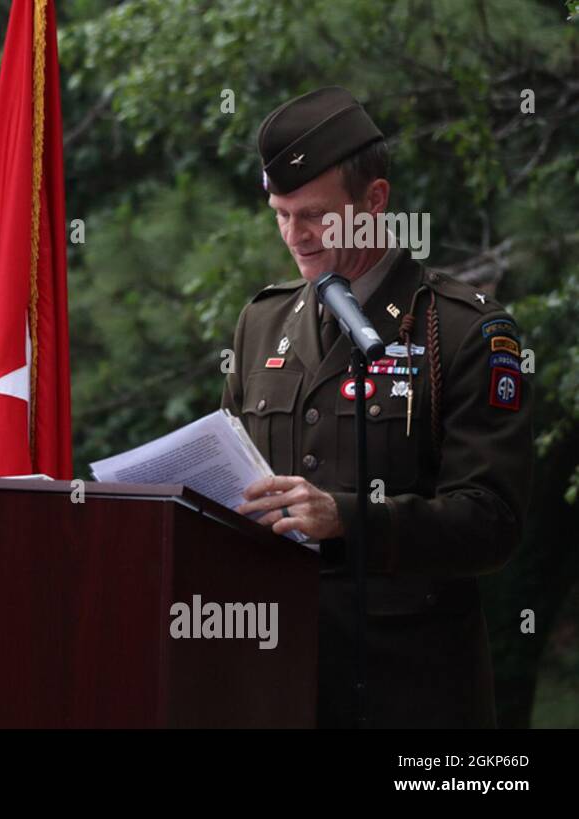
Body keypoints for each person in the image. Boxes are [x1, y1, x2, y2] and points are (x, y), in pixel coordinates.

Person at [221, 86, 533, 727]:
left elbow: (492, 523)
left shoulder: (462, 330)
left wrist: (347, 518)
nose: (294, 235)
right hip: (274, 686)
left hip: (410, 697)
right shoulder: (261, 321)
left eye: (312, 214)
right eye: (280, 214)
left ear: (375, 202)